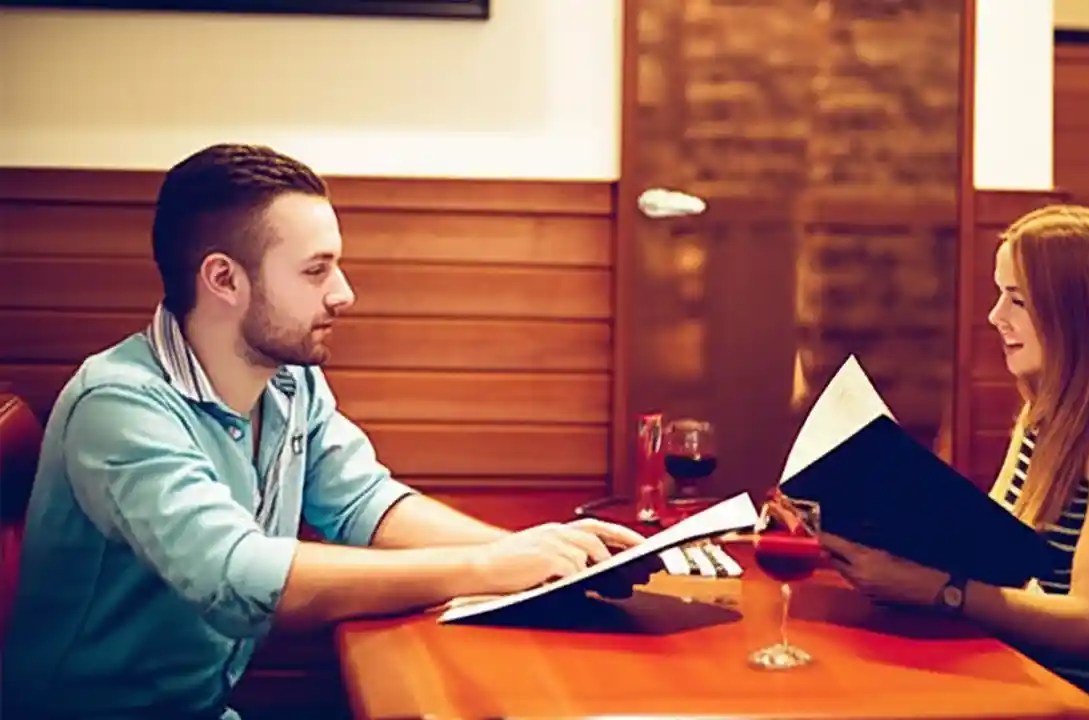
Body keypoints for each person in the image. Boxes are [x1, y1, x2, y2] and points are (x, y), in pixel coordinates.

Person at [1, 143, 648, 720]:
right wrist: (484, 567)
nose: (344, 293)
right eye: (316, 271)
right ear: (224, 279)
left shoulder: (287, 380)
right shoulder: (119, 405)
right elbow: (236, 577)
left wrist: (545, 561)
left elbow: (365, 501)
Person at [820, 204, 1089, 719]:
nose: (995, 317)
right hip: (1036, 680)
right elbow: (992, 556)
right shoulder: (1045, 408)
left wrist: (940, 591)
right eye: (998, 294)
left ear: (1072, 311)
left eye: (1017, 300)